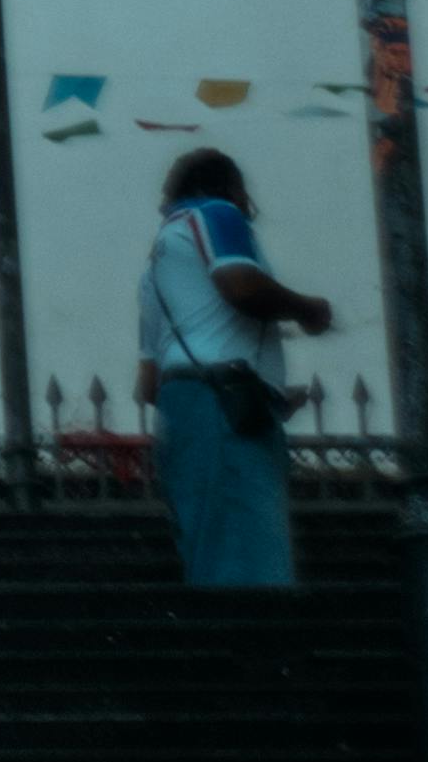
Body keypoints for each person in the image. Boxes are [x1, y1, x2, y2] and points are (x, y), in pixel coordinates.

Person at [137, 144, 331, 595]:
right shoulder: (215, 213)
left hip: (185, 410)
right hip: (224, 407)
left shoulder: (156, 265)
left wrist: (267, 393)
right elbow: (240, 285)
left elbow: (148, 383)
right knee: (251, 557)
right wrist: (308, 310)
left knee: (211, 552)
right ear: (231, 187)